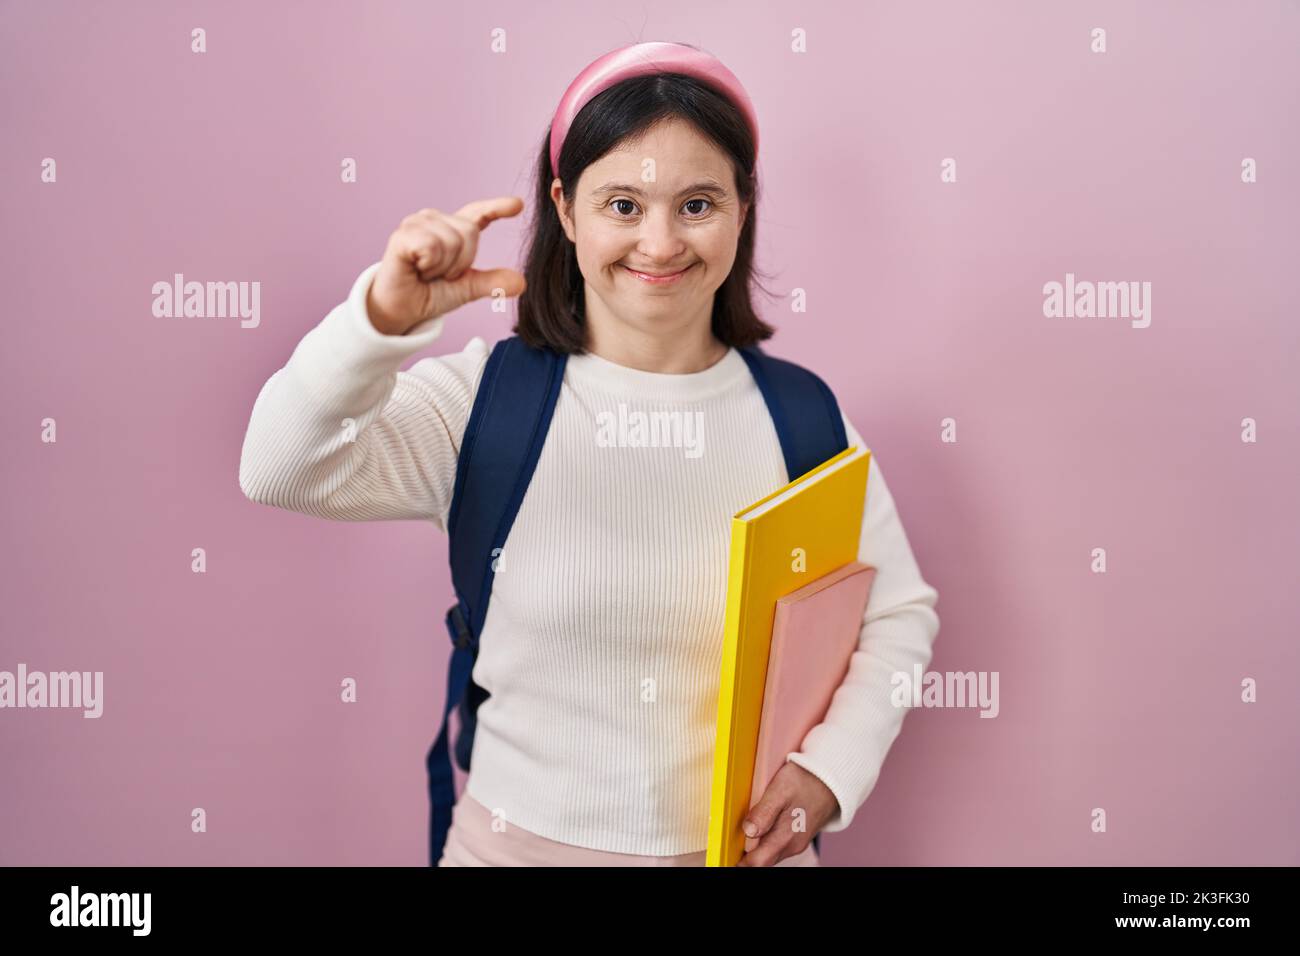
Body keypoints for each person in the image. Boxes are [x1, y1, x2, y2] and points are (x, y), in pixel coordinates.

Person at [238, 40, 940, 867]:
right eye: (622, 206)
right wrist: (379, 323)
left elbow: (898, 614)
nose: (659, 242)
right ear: (565, 210)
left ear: (743, 209)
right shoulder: (485, 406)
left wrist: (830, 771)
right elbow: (280, 466)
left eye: (697, 204)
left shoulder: (803, 420)